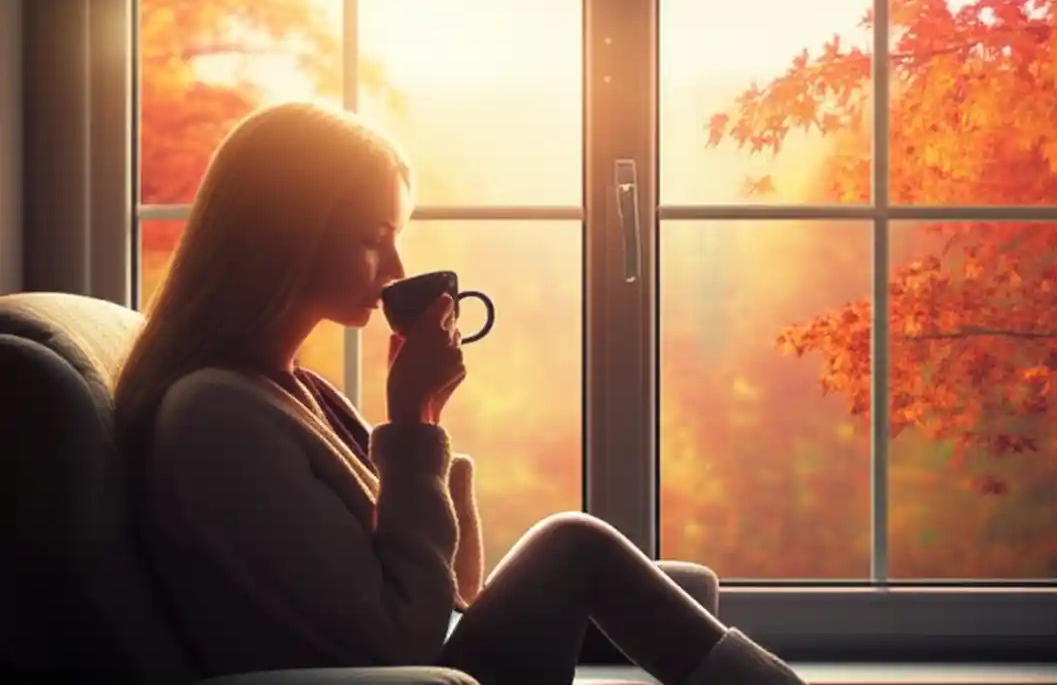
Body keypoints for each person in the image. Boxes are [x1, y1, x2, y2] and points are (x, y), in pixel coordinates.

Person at [114, 101, 807, 685]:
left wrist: (427, 419)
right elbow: (403, 638)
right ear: (284, 236)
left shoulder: (291, 389)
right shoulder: (217, 417)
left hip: (426, 653)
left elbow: (442, 589)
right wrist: (412, 427)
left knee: (684, 589)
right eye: (372, 238)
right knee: (574, 547)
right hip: (409, 678)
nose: (395, 269)